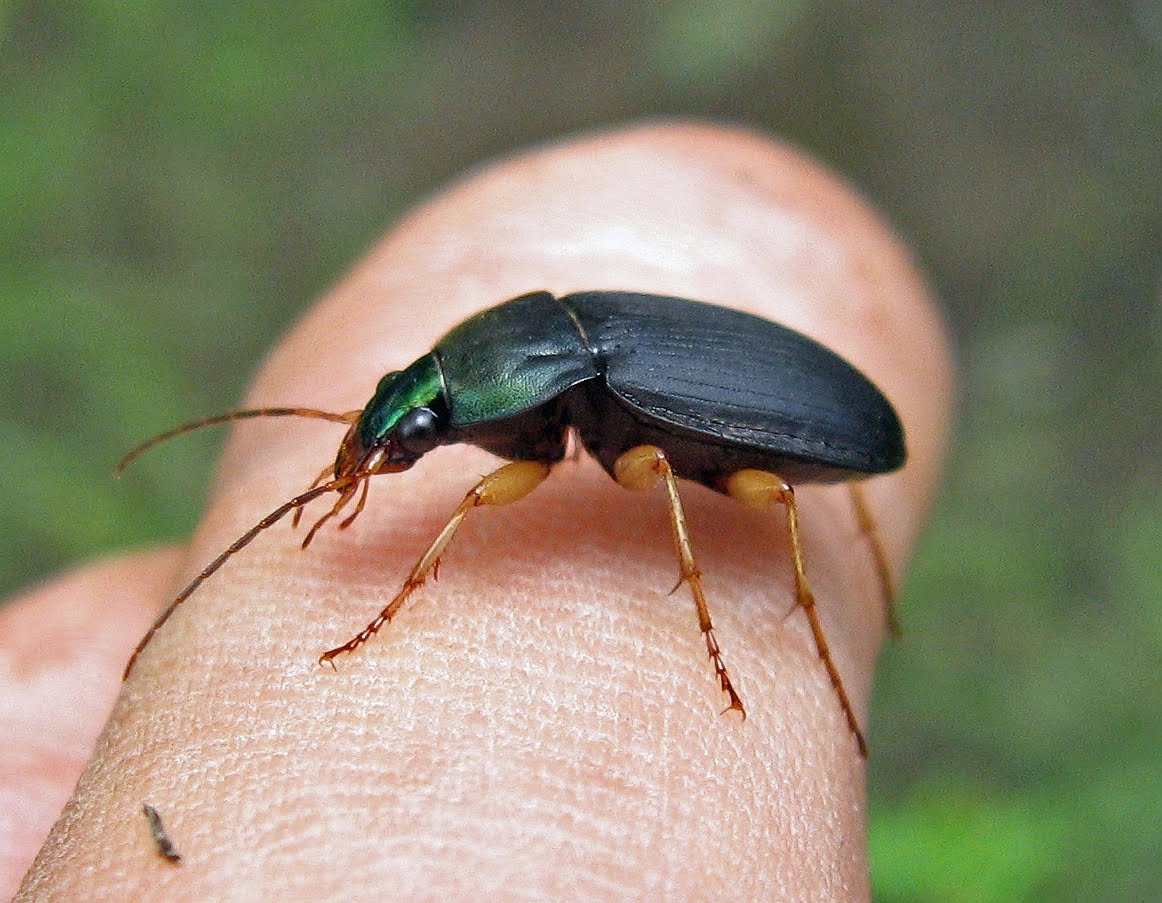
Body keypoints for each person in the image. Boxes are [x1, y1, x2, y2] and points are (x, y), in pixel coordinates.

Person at [5, 122, 952, 901]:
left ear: (513, 386)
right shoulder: (545, 354)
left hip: (827, 420)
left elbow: (690, 467)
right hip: (804, 391)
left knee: (741, 485)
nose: (400, 448)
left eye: (417, 427)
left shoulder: (594, 391)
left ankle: (769, 629)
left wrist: (718, 626)